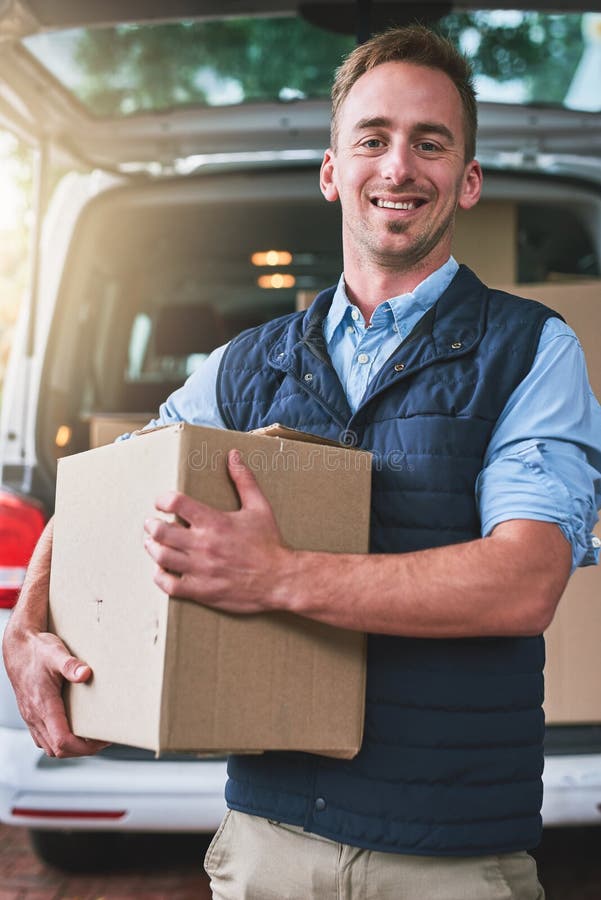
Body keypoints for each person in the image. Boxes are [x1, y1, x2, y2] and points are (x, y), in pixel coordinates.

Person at [4, 24, 601, 900]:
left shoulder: (531, 350)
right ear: (332, 171)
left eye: (429, 144)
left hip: (445, 846)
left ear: (466, 180)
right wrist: (24, 626)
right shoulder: (247, 363)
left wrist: (274, 575)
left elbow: (522, 582)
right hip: (269, 836)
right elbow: (106, 487)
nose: (398, 166)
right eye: (372, 139)